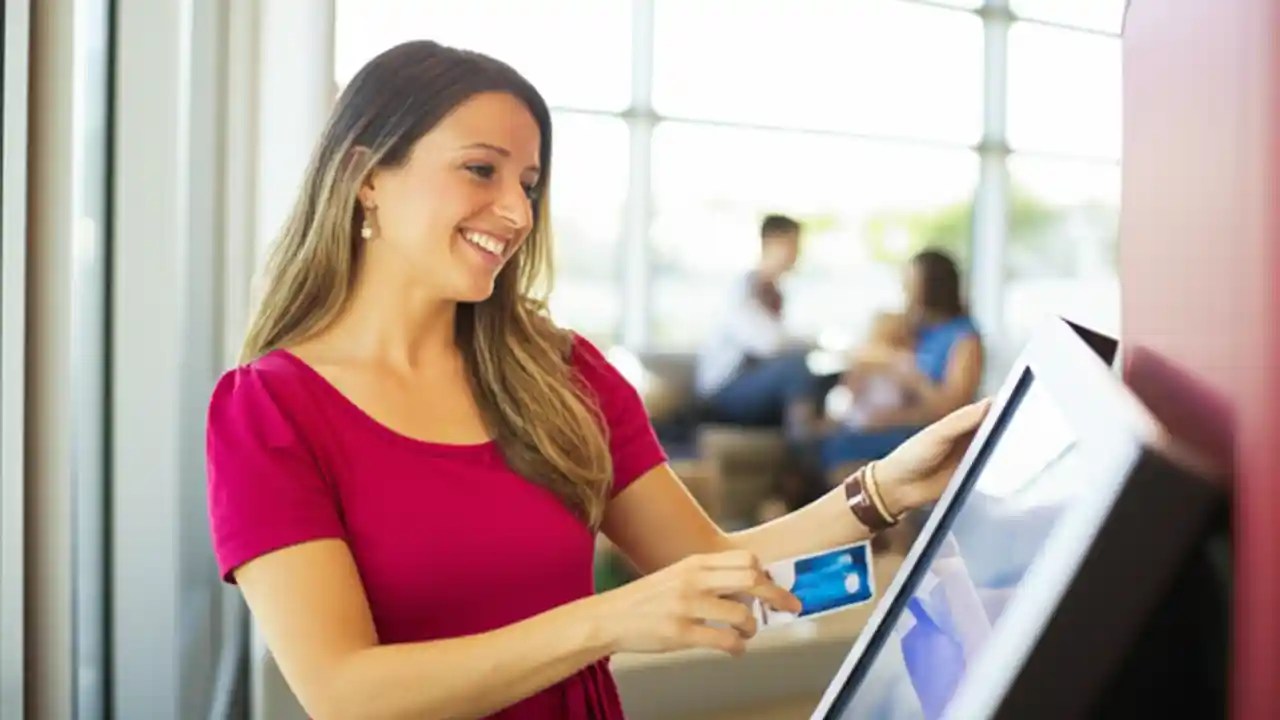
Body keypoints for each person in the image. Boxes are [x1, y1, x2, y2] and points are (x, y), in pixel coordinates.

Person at [204, 41, 989, 720]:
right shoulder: (269, 411)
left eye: (530, 183)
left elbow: (710, 562)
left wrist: (887, 487)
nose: (514, 210)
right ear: (366, 176)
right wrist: (606, 620)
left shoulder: (558, 374)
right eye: (481, 170)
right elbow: (345, 694)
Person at [820, 250, 984, 474]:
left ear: (934, 287)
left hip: (925, 433)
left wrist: (906, 378)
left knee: (838, 450)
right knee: (819, 444)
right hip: (894, 423)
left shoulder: (965, 339)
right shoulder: (913, 329)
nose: (905, 290)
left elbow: (953, 410)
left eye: (911, 282)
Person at [694, 214, 826, 438]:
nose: (797, 255)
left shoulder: (775, 293)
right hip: (724, 392)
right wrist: (811, 342)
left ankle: (821, 444)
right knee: (795, 367)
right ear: (771, 243)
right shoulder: (742, 289)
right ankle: (806, 449)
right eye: (793, 245)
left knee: (822, 378)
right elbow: (770, 344)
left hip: (755, 386)